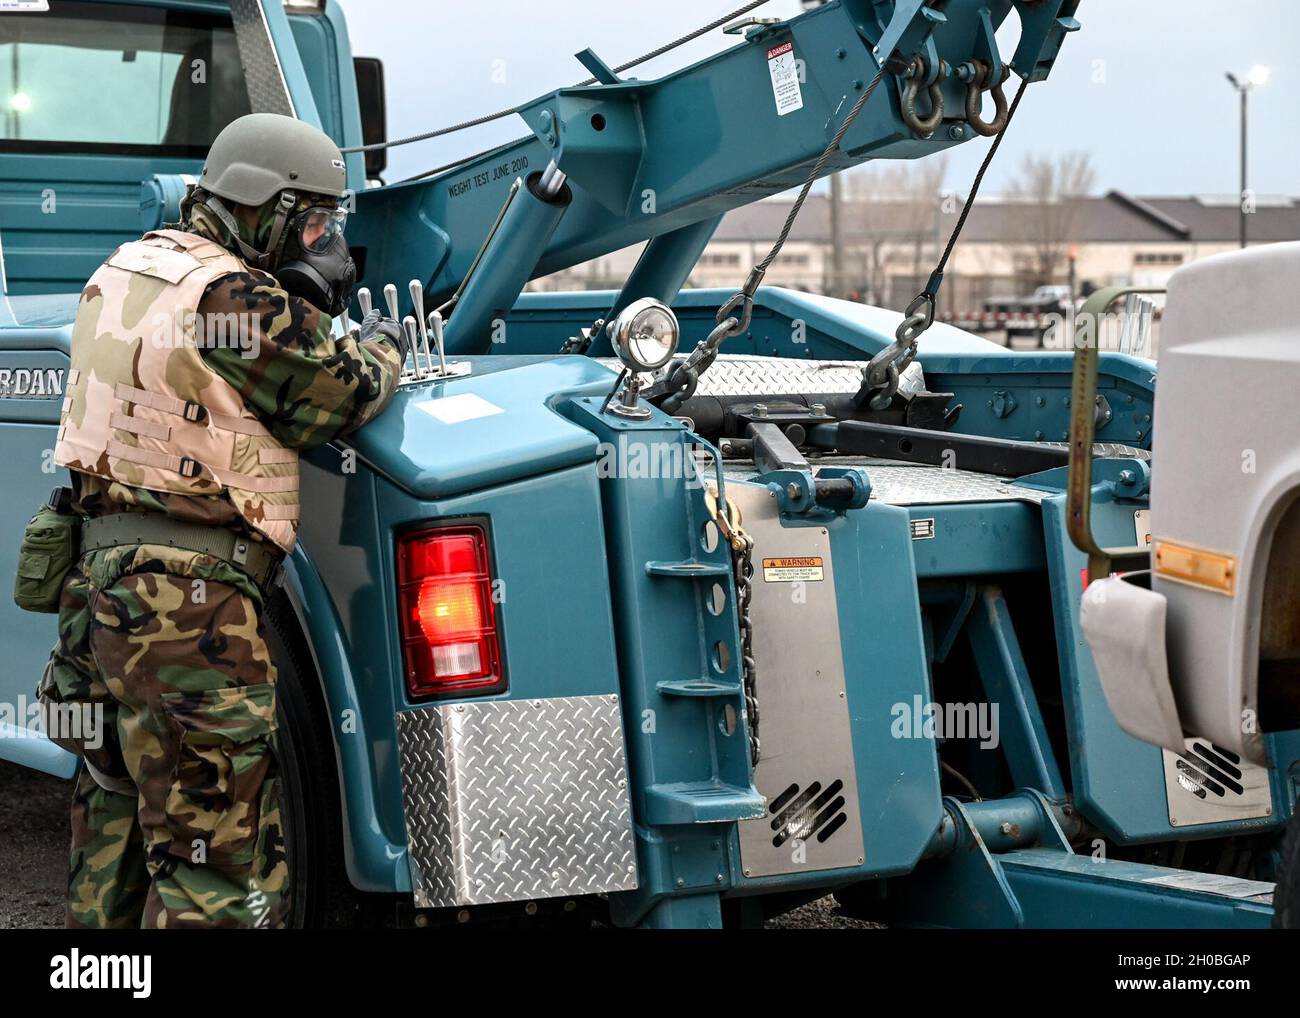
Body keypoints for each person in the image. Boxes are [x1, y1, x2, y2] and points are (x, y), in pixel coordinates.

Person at [40, 112, 408, 928]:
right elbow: (338, 393)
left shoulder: (127, 265)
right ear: (262, 205)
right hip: (189, 615)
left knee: (114, 829)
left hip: (97, 600)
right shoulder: (232, 296)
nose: (320, 242)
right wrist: (384, 344)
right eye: (311, 222)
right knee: (215, 864)